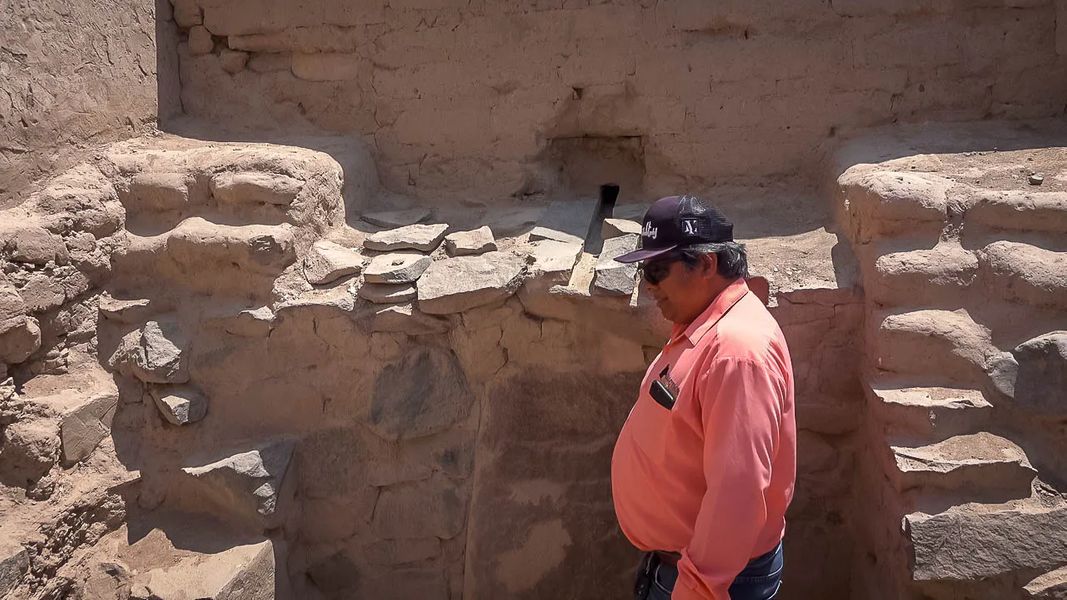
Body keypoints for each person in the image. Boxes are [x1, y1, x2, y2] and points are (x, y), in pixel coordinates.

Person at [610, 194, 797, 600]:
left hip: (710, 581)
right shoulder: (705, 321)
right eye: (645, 270)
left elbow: (738, 492)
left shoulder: (736, 352)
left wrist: (696, 590)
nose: (648, 286)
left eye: (657, 269)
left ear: (707, 263)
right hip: (682, 565)